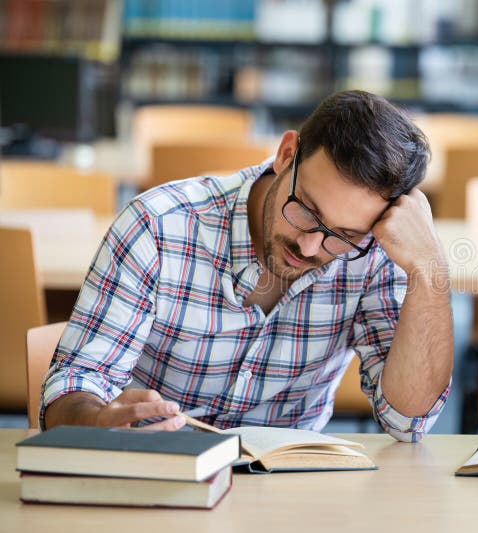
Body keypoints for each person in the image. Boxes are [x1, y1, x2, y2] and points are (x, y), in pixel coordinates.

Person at [42, 90, 454, 442]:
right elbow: (73, 386)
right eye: (306, 209)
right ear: (286, 153)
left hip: (289, 491)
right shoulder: (158, 225)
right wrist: (95, 419)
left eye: (342, 234)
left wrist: (429, 269)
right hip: (159, 472)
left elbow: (409, 422)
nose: (310, 245)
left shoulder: (374, 250)